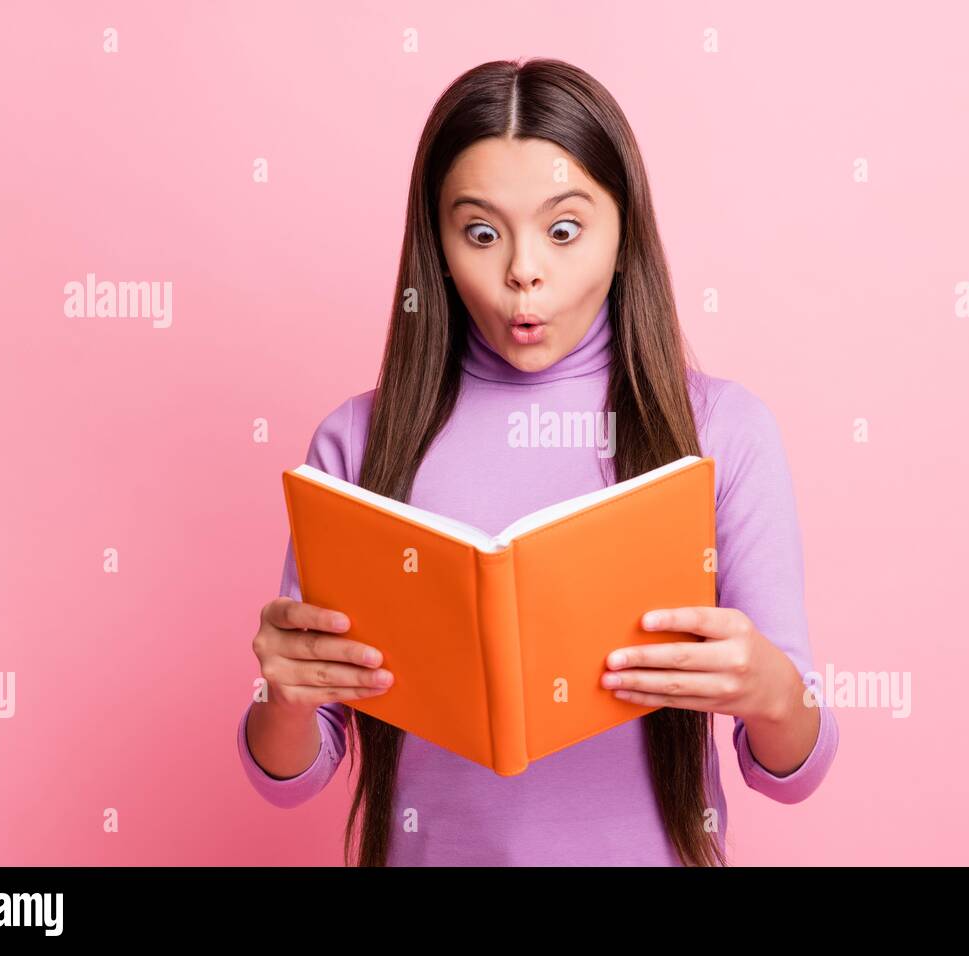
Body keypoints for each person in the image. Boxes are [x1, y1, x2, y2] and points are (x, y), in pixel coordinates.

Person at [239, 57, 839, 866]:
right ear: (438, 248)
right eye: (481, 232)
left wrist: (770, 689)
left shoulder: (723, 431)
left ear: (625, 232)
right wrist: (284, 696)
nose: (524, 269)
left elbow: (794, 771)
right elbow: (290, 776)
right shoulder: (358, 445)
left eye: (564, 229)